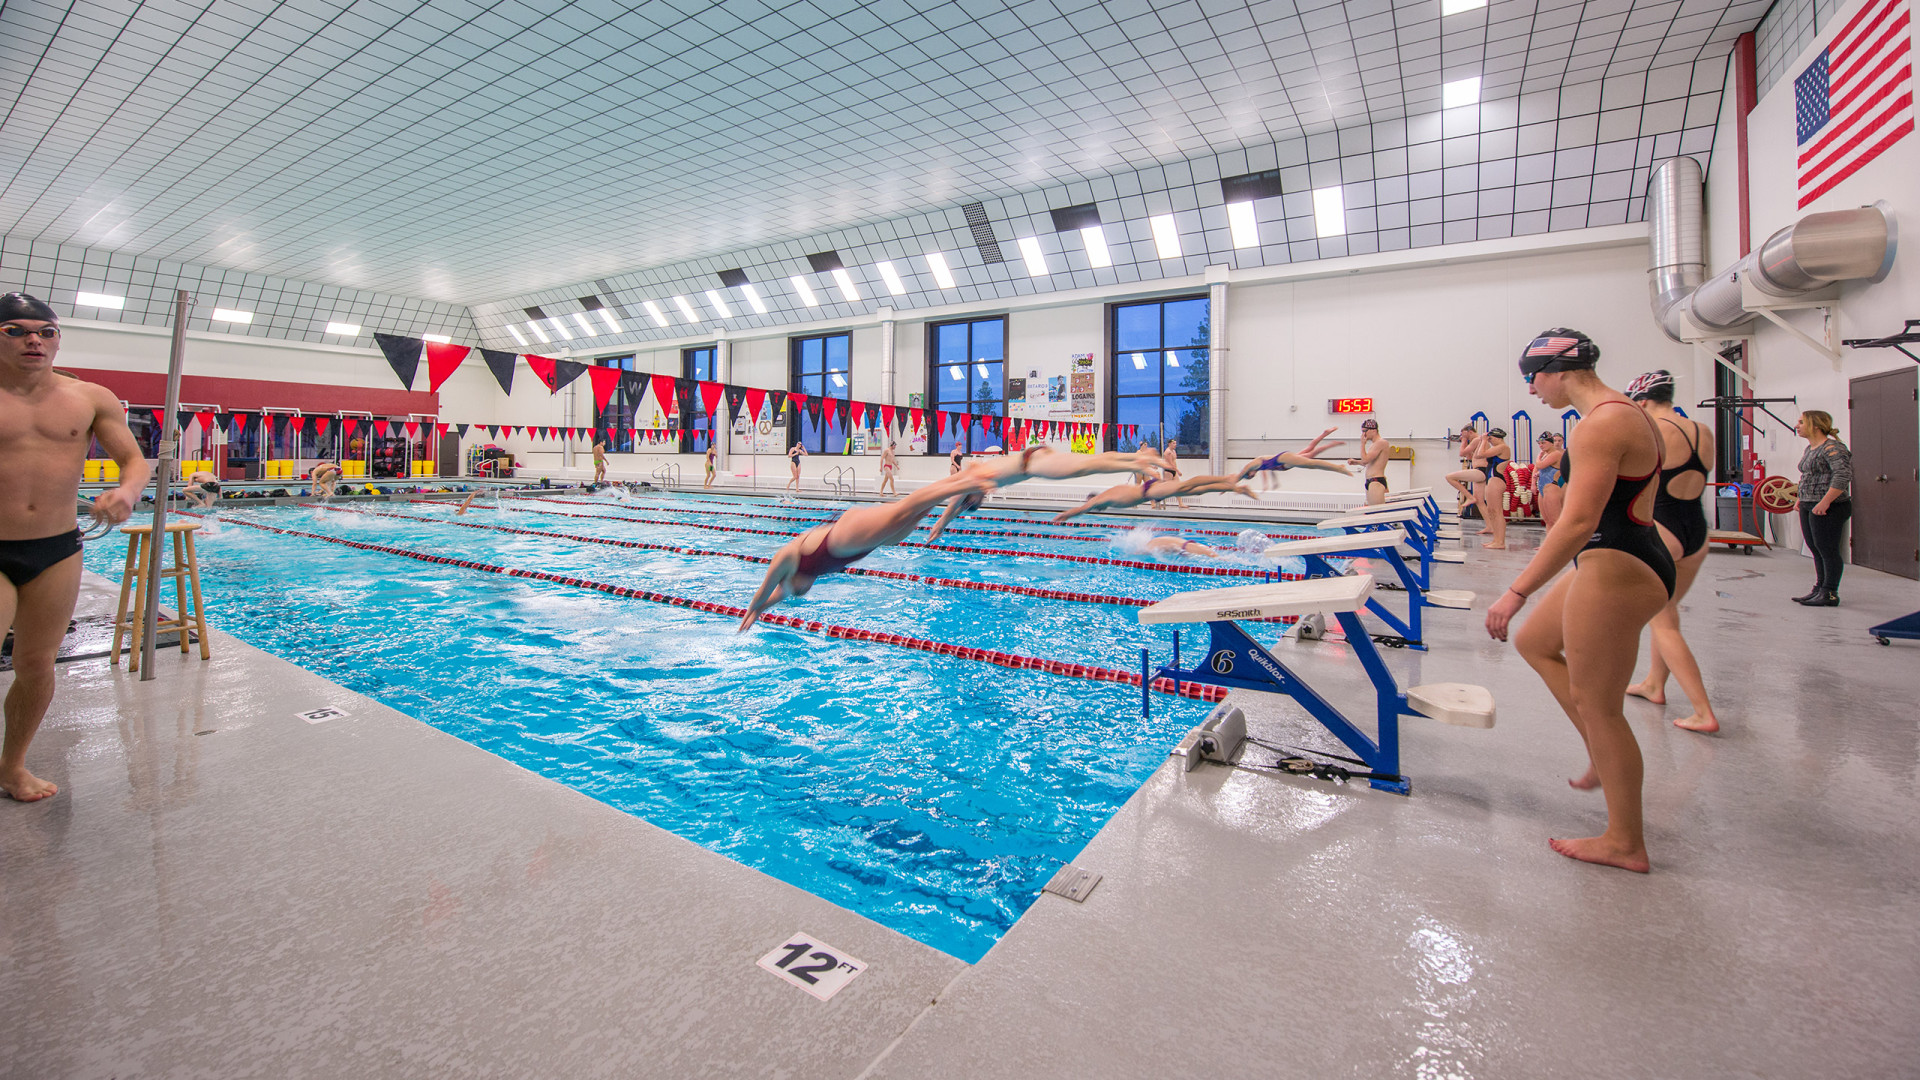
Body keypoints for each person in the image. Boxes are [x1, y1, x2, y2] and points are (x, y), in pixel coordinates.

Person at [1485, 328, 1673, 874]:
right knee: (1536, 643)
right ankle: (1599, 749)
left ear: (1560, 370)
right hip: (1615, 556)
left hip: (1617, 565)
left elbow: (1579, 521)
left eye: (1532, 378)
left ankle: (1624, 841)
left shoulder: (1606, 422)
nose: (1531, 390)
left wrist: (1516, 590)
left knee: (1601, 706)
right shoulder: (1616, 415)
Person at [0, 293, 150, 802]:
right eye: (16, 331)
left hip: (57, 550)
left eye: (45, 330)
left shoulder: (89, 397)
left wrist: (127, 492)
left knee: (37, 665)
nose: (33, 340)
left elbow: (134, 460)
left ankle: (12, 767)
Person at [740, 470, 994, 630]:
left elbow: (761, 593)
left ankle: (967, 480)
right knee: (915, 514)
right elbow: (766, 601)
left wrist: (750, 611)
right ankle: (963, 491)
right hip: (855, 548)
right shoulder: (787, 588)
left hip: (841, 538)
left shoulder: (785, 557)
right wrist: (757, 613)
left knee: (907, 508)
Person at [1618, 372, 1722, 733]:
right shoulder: (1701, 430)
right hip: (1696, 528)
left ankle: (1703, 711)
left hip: (1662, 526)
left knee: (1662, 620)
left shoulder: (1652, 430)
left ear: (1643, 401)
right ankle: (1654, 684)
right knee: (1667, 610)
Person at [925, 445, 1163, 539]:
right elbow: (959, 504)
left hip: (1032, 463)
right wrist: (944, 522)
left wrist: (940, 524)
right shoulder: (976, 479)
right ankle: (1137, 459)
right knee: (1086, 465)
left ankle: (1138, 460)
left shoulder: (972, 480)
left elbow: (955, 502)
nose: (981, 499)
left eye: (975, 502)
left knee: (1086, 465)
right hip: (1034, 460)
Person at [1793, 409, 1853, 607]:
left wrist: (1826, 501)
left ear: (1815, 426)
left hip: (1830, 506)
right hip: (1809, 503)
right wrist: (1801, 498)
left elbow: (1842, 476)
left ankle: (1830, 592)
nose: (1797, 426)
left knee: (1828, 549)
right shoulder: (1810, 448)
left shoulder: (1833, 448)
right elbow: (1809, 476)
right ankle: (1819, 587)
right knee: (1815, 549)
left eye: (1802, 422)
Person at [1054, 467, 1259, 523]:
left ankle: (1229, 479)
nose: (1092, 508)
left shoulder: (1099, 499)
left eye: (1090, 504)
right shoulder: (1106, 498)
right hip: (1149, 492)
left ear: (1092, 499)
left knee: (1187, 485)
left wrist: (1065, 515)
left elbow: (1081, 509)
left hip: (1149, 490)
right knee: (1194, 490)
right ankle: (1234, 487)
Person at [1247, 427, 1352, 484]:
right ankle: (1324, 434)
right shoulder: (1259, 466)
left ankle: (1331, 444)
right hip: (1285, 461)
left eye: (1251, 475)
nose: (1253, 475)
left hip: (1285, 464)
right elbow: (1269, 473)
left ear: (1249, 471)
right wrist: (1273, 482)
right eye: (1252, 477)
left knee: (1311, 453)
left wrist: (1265, 486)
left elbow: (1266, 475)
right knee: (1309, 449)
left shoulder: (1257, 464)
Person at [1476, 427, 1514, 549]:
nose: (1490, 441)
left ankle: (1500, 542)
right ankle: (1496, 540)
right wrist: (1485, 441)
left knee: (1497, 512)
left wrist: (1483, 441)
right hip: (1492, 480)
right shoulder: (1497, 448)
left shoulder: (1503, 447)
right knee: (1492, 511)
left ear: (1498, 437)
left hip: (1497, 480)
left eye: (1491, 439)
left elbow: (1480, 454)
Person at [1445, 424, 1490, 518]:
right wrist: (1465, 442)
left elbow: (1461, 453)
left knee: (1449, 477)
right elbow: (1469, 457)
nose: (1466, 438)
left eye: (1467, 436)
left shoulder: (1478, 439)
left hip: (1480, 470)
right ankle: (1490, 526)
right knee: (1479, 501)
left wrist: (1464, 441)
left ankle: (1469, 497)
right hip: (1479, 470)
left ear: (1470, 432)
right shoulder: (1478, 442)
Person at [1349, 419, 1389, 503]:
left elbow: (1366, 460)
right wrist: (1356, 462)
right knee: (1371, 512)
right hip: (1371, 482)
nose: (1363, 434)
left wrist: (1362, 444)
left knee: (1376, 513)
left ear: (1373, 430)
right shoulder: (1374, 445)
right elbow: (1367, 462)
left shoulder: (1381, 443)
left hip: (1376, 482)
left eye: (1365, 431)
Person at [1534, 432, 1566, 529]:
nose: (1541, 446)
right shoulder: (1546, 455)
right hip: (1543, 488)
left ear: (1551, 443)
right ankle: (1549, 543)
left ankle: (1561, 543)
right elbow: (1539, 469)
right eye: (1539, 443)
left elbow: (1539, 465)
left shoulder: (1556, 454)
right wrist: (1533, 482)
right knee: (1547, 520)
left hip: (1552, 487)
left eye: (1543, 443)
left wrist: (1538, 457)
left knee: (1555, 520)